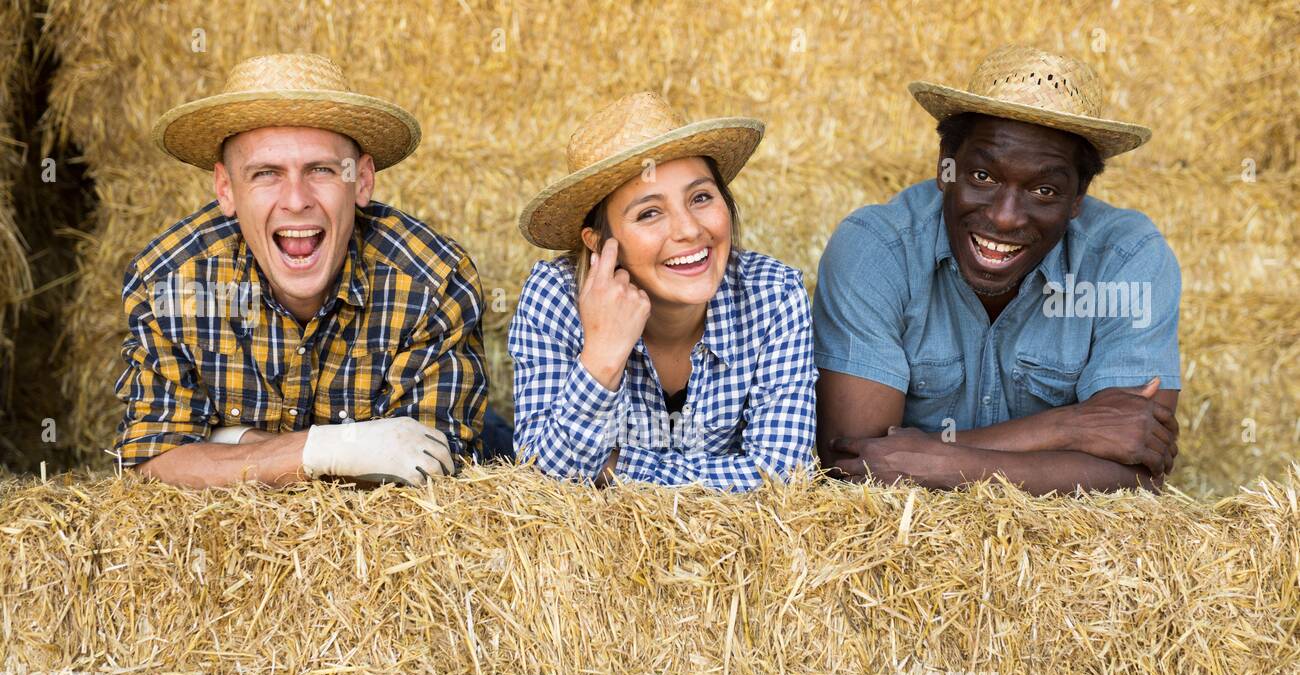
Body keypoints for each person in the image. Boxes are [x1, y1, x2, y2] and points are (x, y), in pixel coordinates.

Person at [113, 53, 495, 488]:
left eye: (320, 169)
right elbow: (151, 461)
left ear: (363, 181)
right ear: (226, 189)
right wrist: (324, 450)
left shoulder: (434, 282)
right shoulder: (168, 281)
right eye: (265, 173)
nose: (296, 200)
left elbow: (430, 468)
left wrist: (229, 444)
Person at [815, 46, 1181, 494]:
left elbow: (1139, 471)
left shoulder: (1126, 257)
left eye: (1044, 190)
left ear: (1078, 198)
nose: (1006, 217)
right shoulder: (877, 248)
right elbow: (854, 463)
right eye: (983, 177)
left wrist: (939, 462)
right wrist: (1069, 428)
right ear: (945, 167)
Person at [510, 92, 817, 490]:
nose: (689, 230)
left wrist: (617, 470)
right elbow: (540, 480)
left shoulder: (774, 296)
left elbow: (783, 477)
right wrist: (602, 357)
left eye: (701, 197)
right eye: (649, 213)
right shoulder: (554, 296)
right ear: (598, 241)